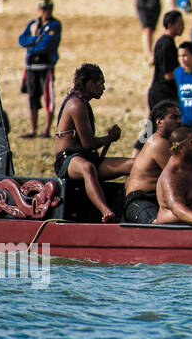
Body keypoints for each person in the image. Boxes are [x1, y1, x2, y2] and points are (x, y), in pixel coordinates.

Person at [52, 64, 135, 223]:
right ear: (90, 84)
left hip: (87, 157)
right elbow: (88, 143)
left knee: (133, 165)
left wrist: (108, 138)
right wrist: (110, 138)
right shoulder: (76, 105)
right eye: (101, 83)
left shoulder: (84, 103)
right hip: (68, 160)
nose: (103, 88)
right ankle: (106, 212)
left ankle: (131, 208)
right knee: (87, 168)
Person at [122, 101, 184, 223]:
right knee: (159, 225)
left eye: (179, 117)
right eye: (173, 117)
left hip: (154, 200)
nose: (179, 121)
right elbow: (178, 175)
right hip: (140, 202)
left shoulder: (165, 141)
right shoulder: (158, 142)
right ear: (159, 121)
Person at [18, 0, 61, 138]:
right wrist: (35, 39)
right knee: (32, 96)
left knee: (48, 97)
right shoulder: (33, 24)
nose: (46, 12)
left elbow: (47, 45)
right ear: (39, 10)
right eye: (43, 9)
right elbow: (22, 40)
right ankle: (33, 129)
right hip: (31, 67)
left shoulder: (55, 25)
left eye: (48, 9)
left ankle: (47, 129)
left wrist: (31, 46)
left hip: (45, 66)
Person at [148, 10, 184, 111]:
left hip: (164, 93)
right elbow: (168, 75)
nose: (183, 27)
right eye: (180, 24)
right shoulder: (166, 45)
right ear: (170, 25)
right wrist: (186, 70)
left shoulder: (166, 42)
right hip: (163, 95)